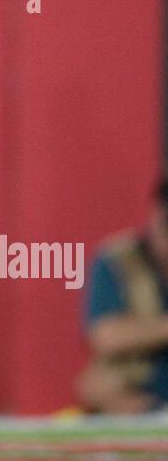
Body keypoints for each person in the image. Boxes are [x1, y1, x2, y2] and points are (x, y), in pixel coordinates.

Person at [77, 177, 168, 414]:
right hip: (142, 392)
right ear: (156, 215)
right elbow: (105, 336)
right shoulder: (120, 260)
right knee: (95, 385)